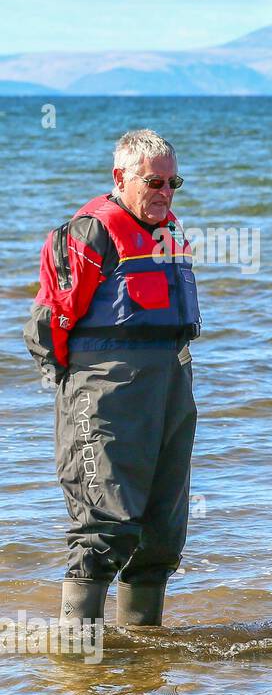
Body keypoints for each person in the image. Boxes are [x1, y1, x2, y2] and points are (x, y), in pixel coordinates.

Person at [23, 129, 200, 627]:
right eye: (154, 182)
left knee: (161, 533)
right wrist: (76, 387)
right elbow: (47, 322)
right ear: (120, 177)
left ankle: (141, 663)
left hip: (170, 385)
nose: (165, 193)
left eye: (173, 182)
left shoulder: (169, 230)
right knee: (106, 523)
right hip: (103, 391)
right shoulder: (87, 233)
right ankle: (79, 659)